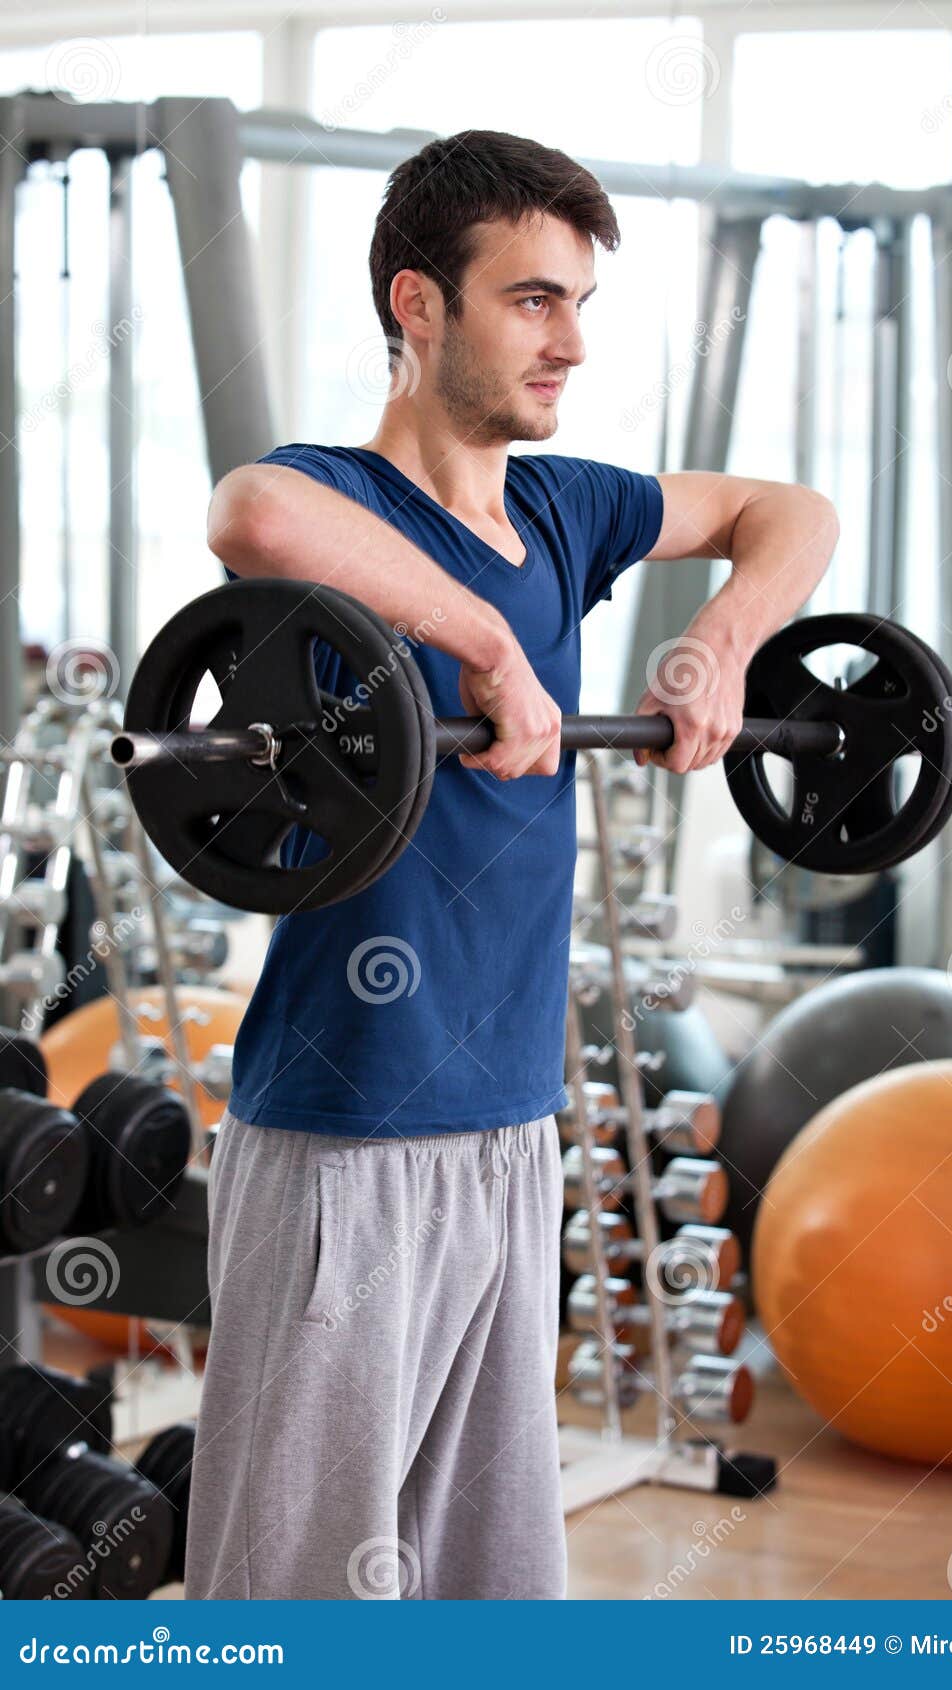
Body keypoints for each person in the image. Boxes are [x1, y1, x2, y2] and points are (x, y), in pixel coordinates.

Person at [183, 128, 838, 1601]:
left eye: (582, 305)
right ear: (418, 306)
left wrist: (718, 642)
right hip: (344, 1130)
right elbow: (251, 514)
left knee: (491, 1583)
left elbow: (790, 513)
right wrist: (485, 644)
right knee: (292, 1592)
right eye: (535, 301)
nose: (572, 344)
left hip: (509, 1131)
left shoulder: (563, 509)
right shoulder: (332, 497)